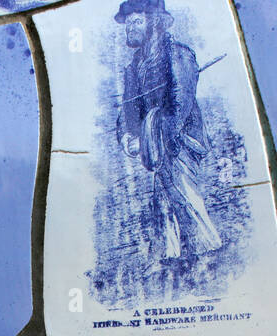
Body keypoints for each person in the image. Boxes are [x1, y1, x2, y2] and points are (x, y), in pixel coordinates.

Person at [116, 0, 222, 287]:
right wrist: (129, 135)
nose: (129, 27)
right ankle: (172, 266)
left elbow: (180, 108)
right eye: (128, 22)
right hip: (156, 149)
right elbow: (128, 111)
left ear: (154, 22)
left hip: (180, 146)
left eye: (136, 20)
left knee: (186, 201)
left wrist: (151, 136)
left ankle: (210, 262)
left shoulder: (178, 56)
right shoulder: (134, 67)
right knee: (163, 209)